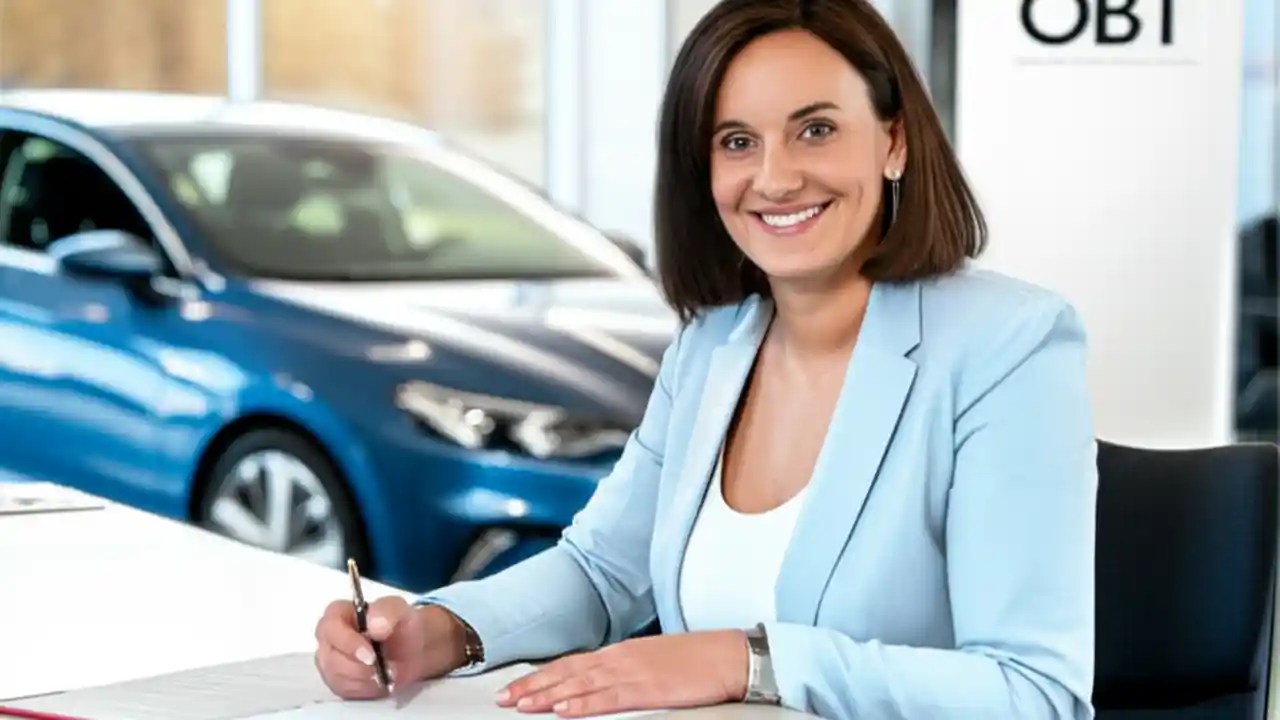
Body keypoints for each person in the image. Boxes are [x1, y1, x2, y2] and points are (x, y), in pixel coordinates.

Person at [313, 0, 1098, 718]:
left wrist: (748, 660)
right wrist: (443, 631)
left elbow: (1032, 691)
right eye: (736, 142)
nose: (776, 176)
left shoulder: (1007, 345)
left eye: (816, 128)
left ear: (893, 140)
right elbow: (599, 573)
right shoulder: (714, 344)